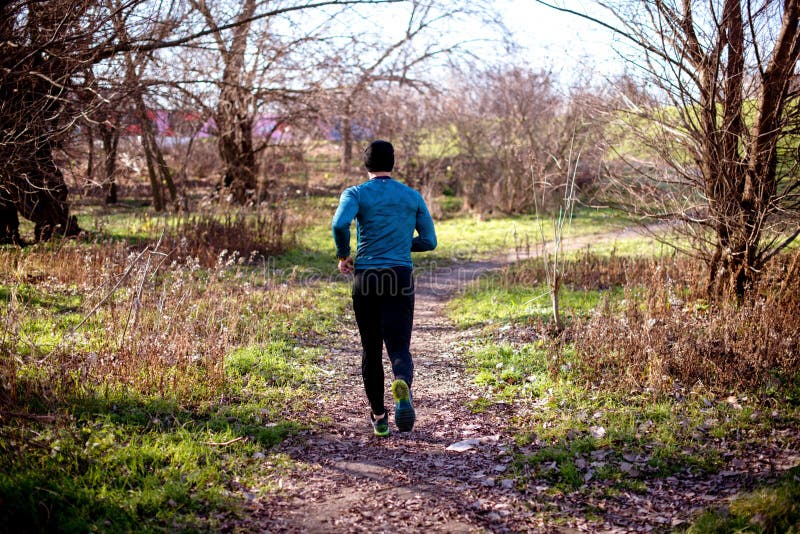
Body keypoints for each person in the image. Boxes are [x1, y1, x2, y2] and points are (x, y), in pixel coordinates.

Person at [332, 140, 437, 436]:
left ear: (366, 165)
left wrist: (344, 254)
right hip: (399, 276)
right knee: (399, 345)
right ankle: (402, 383)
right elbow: (429, 241)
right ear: (392, 164)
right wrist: (403, 243)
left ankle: (379, 418)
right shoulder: (411, 196)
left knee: (370, 349)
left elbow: (339, 225)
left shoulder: (355, 193)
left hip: (366, 278)